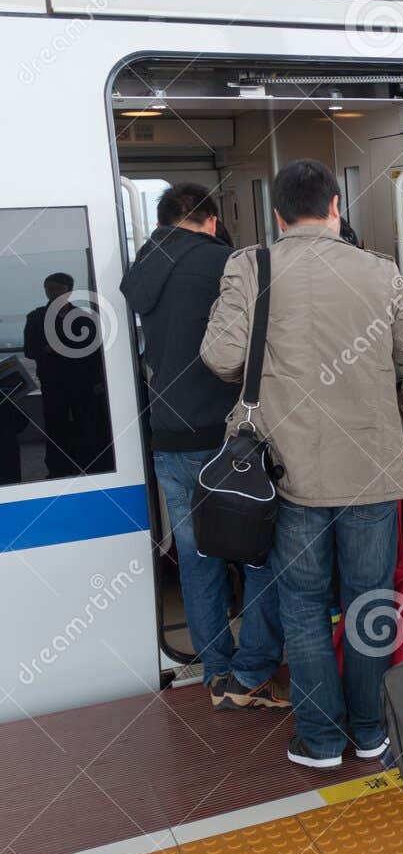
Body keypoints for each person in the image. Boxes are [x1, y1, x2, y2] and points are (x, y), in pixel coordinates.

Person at [201, 159, 403, 771]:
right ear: (337, 207)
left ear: (277, 216)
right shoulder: (381, 272)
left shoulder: (252, 266)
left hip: (290, 473)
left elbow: (221, 357)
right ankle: (370, 732)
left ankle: (321, 740)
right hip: (372, 471)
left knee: (303, 605)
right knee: (369, 601)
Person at [121, 184, 286, 711]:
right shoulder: (225, 263)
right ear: (210, 220)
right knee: (261, 555)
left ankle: (215, 670)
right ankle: (251, 671)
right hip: (224, 438)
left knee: (197, 560)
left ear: (164, 221)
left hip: (167, 437)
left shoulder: (142, 268)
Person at [23, 273, 109, 478]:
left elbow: (94, 354)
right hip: (54, 383)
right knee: (56, 426)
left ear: (68, 291)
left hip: (81, 382)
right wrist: (46, 349)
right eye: (49, 289)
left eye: (56, 289)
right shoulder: (35, 317)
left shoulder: (83, 318)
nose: (52, 293)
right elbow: (29, 350)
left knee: (85, 424)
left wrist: (98, 381)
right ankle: (58, 469)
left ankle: (87, 466)